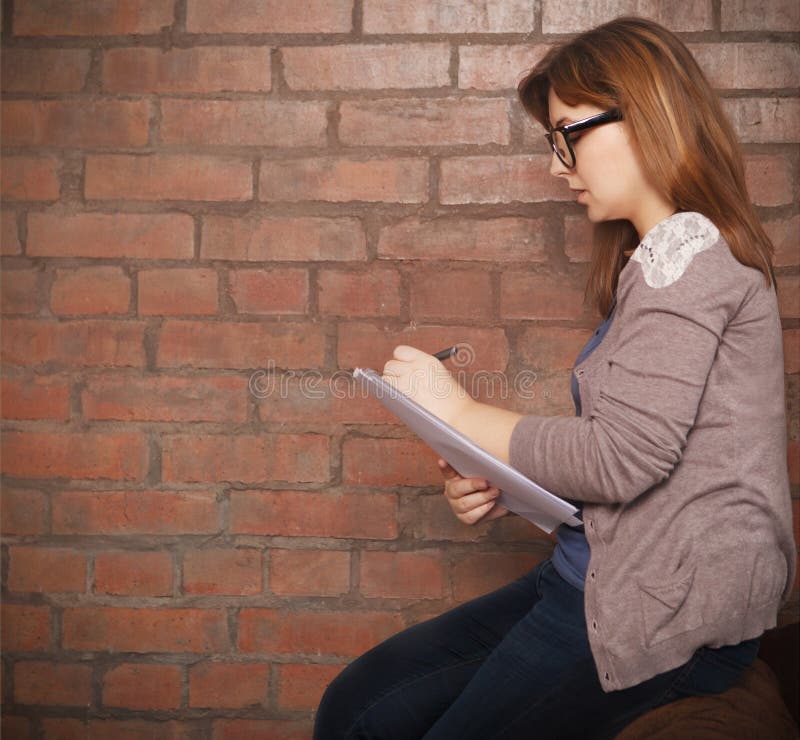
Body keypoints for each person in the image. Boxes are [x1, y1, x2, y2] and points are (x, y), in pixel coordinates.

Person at [313, 16, 796, 740]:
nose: (556, 164)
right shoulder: (657, 262)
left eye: (568, 132)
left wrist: (461, 410)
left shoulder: (689, 258)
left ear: (646, 116)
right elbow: (657, 460)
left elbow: (622, 458)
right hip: (593, 575)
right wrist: (500, 477)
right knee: (360, 706)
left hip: (657, 613)